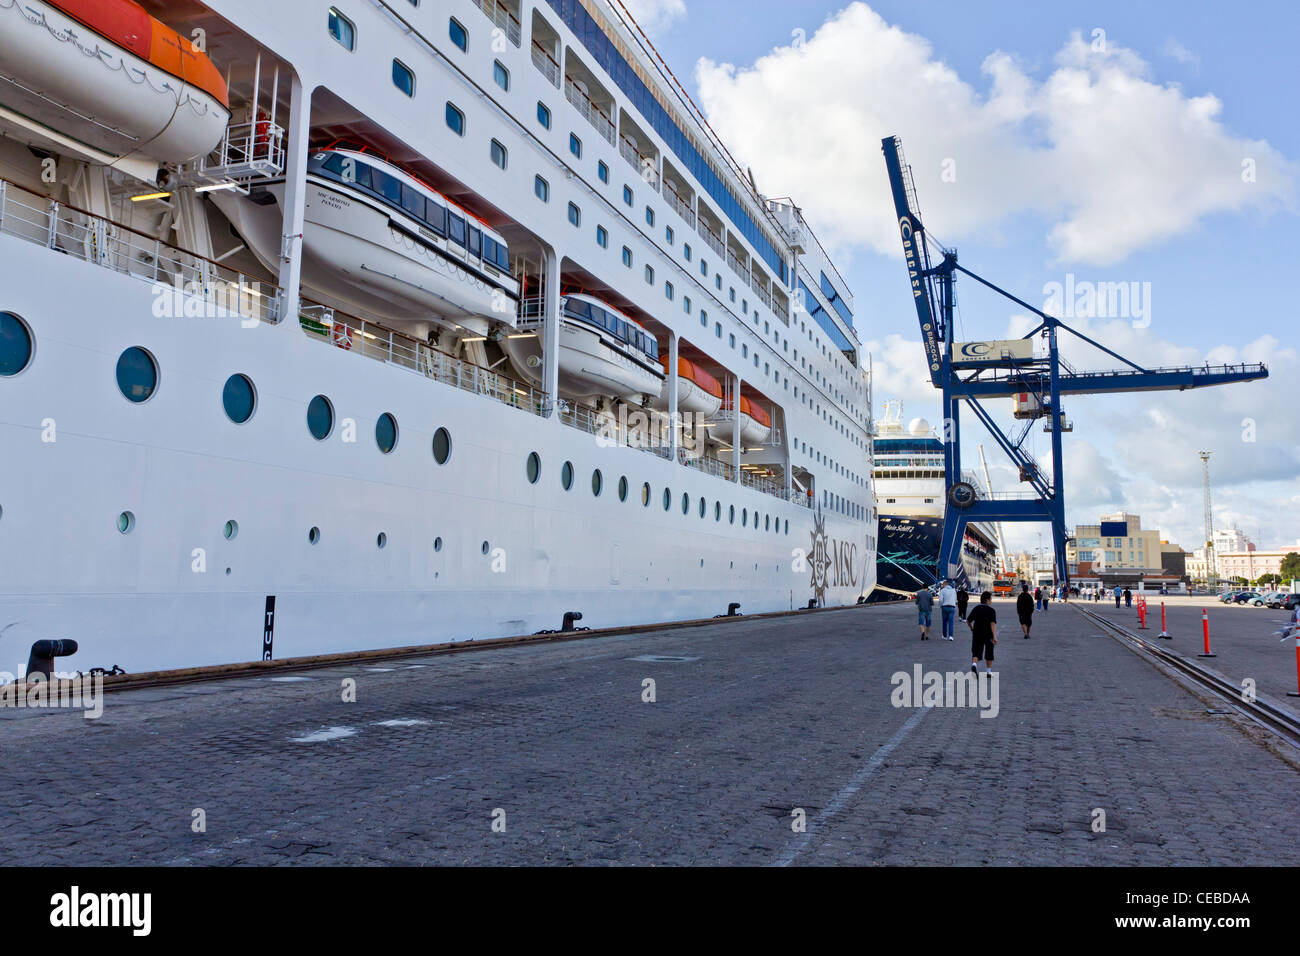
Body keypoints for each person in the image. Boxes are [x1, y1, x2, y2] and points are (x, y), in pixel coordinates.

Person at [967, 590, 998, 674]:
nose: (991, 601)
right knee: (989, 652)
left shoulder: (976, 608)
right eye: (990, 599)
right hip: (988, 634)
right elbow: (992, 624)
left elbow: (968, 620)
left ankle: (974, 664)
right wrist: (995, 636)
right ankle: (988, 672)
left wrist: (972, 628)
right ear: (987, 600)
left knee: (976, 652)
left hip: (977, 633)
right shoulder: (991, 610)